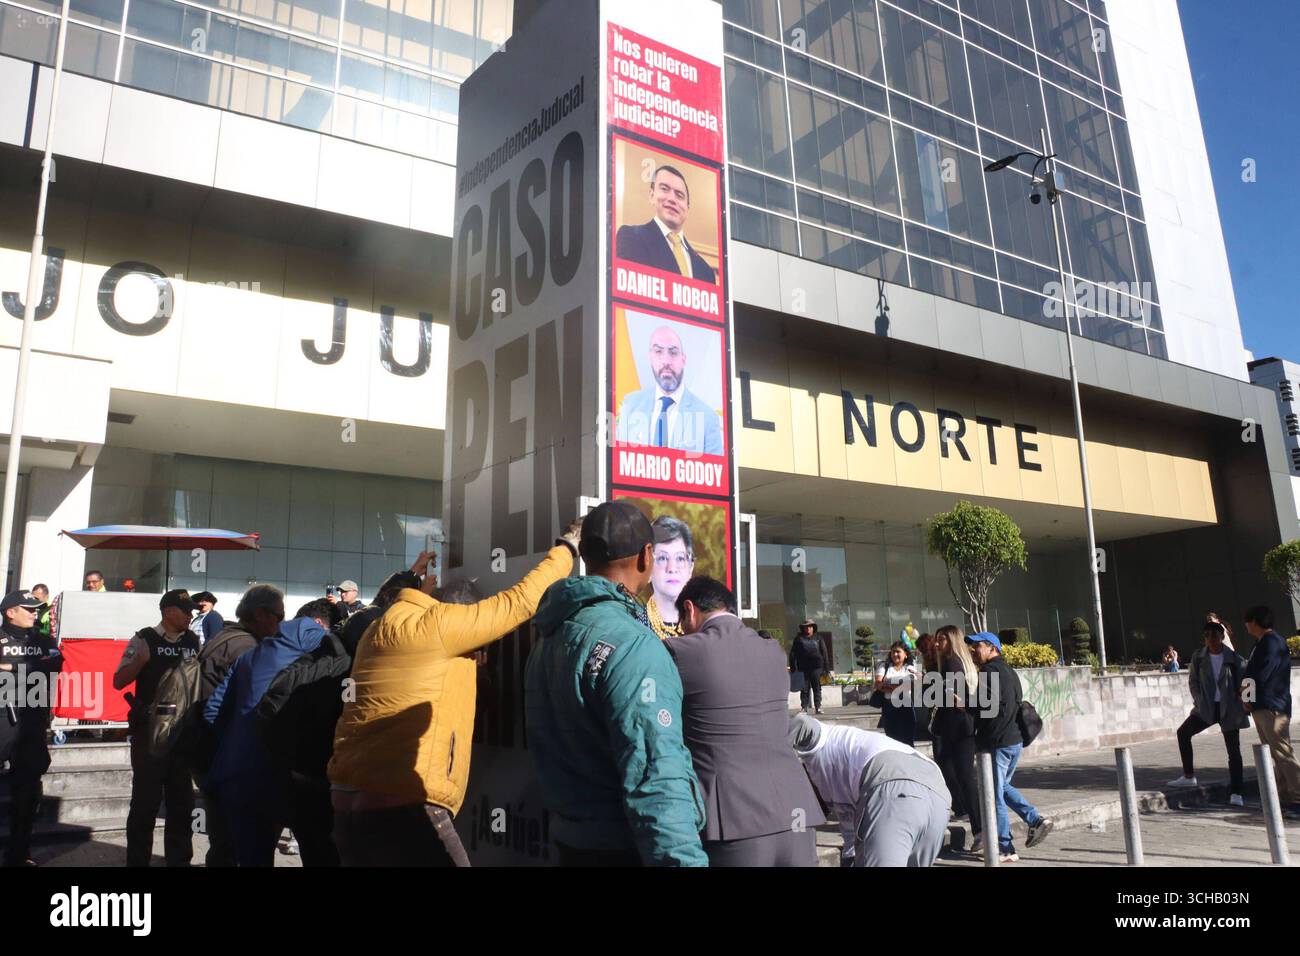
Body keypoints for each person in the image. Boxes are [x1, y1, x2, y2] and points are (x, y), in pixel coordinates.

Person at [329, 527, 578, 867]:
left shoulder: (379, 628)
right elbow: (520, 601)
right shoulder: (443, 627)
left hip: (346, 797)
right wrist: (568, 549)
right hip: (406, 804)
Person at [525, 501, 707, 866]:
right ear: (646, 557)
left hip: (571, 843)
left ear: (587, 556)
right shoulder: (634, 647)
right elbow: (658, 779)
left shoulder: (551, 634)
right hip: (624, 848)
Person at [666, 576, 823, 866]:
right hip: (796, 809)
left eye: (681, 622)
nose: (682, 630)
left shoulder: (679, 652)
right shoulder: (772, 651)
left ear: (689, 609)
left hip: (734, 819)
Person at [204, 602, 333, 866]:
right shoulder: (317, 643)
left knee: (246, 856)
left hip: (235, 772)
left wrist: (238, 741)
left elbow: (212, 709)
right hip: (285, 776)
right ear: (320, 623)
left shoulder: (250, 655)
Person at [190, 584, 285, 867]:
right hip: (223, 758)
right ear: (260, 614)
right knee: (233, 841)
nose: (281, 622)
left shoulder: (224, 636)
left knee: (223, 840)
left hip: (205, 750)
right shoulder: (248, 648)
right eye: (278, 616)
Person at [789, 713, 950, 867]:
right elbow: (852, 851)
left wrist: (768, 762)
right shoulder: (845, 800)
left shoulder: (817, 748)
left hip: (892, 780)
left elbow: (801, 723)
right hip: (937, 794)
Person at [113, 589, 201, 867]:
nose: (190, 615)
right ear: (167, 611)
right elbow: (118, 681)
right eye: (185, 610)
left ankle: (179, 862)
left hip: (182, 735)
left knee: (182, 806)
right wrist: (140, 661)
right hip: (149, 734)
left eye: (192, 610)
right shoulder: (144, 639)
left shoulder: (193, 640)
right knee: (145, 806)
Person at [967, 631, 1053, 862]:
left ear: (992, 648)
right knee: (1000, 788)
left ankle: (1007, 846)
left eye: (977, 646)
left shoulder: (989, 671)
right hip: (1013, 741)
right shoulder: (1009, 671)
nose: (972, 651)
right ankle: (1032, 821)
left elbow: (987, 707)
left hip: (997, 742)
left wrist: (963, 704)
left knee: (994, 795)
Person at [1, 589, 61, 867]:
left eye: (37, 609)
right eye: (29, 609)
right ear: (10, 612)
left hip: (30, 724)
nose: (35, 613)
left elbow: (54, 666)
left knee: (27, 796)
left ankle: (19, 854)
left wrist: (10, 669)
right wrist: (31, 668)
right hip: (2, 720)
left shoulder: (43, 639)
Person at [1167, 621, 1246, 805]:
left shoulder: (1234, 658)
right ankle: (1189, 775)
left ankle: (1237, 792)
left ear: (1221, 637)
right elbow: (1193, 680)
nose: (1211, 639)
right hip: (1207, 708)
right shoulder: (1199, 657)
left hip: (1229, 709)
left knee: (1233, 751)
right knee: (1183, 732)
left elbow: (1248, 679)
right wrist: (1198, 699)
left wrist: (1246, 701)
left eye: (1215, 635)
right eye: (1207, 635)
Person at [615, 325, 723, 455]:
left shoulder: (708, 418)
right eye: (658, 351)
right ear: (650, 357)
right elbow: (619, 463)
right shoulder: (630, 405)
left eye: (673, 352)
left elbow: (717, 473)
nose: (666, 361)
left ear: (683, 359)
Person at [1242, 605, 1300, 810]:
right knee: (1275, 755)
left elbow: (1260, 674)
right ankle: (1286, 798)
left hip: (1271, 707)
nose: (1246, 625)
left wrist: (1247, 696)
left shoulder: (1271, 643)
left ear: (1255, 622)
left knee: (1283, 753)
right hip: (1263, 706)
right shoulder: (1262, 643)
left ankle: (1297, 796)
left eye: (1248, 621)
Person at [616, 164, 717, 282]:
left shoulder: (705, 271)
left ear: (687, 209)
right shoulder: (631, 237)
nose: (672, 199)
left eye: (679, 195)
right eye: (664, 189)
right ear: (651, 195)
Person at [932, 625, 980, 843]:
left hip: (957, 726)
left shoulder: (952, 662)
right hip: (959, 726)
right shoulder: (959, 662)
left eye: (941, 640)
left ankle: (980, 827)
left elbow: (957, 696)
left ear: (951, 641)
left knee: (964, 776)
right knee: (960, 773)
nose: (937, 644)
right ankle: (970, 816)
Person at [645, 515, 695, 640]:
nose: (672, 568)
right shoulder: (636, 626)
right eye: (662, 558)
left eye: (680, 558)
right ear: (648, 567)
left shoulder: (703, 626)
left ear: (691, 568)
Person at [876, 641, 920, 746]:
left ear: (905, 654)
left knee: (908, 740)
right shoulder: (884, 666)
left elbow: (914, 684)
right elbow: (878, 684)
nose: (895, 654)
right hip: (889, 707)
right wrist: (899, 687)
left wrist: (889, 685)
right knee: (892, 739)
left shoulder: (910, 668)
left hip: (906, 707)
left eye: (898, 652)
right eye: (893, 652)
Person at [789, 620, 825, 715]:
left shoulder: (818, 638)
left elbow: (824, 653)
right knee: (804, 689)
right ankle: (804, 707)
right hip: (803, 668)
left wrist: (826, 668)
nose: (808, 628)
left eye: (810, 626)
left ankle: (818, 707)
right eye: (806, 627)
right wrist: (793, 667)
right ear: (803, 628)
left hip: (816, 667)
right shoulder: (798, 639)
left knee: (817, 688)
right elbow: (793, 654)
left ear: (813, 628)